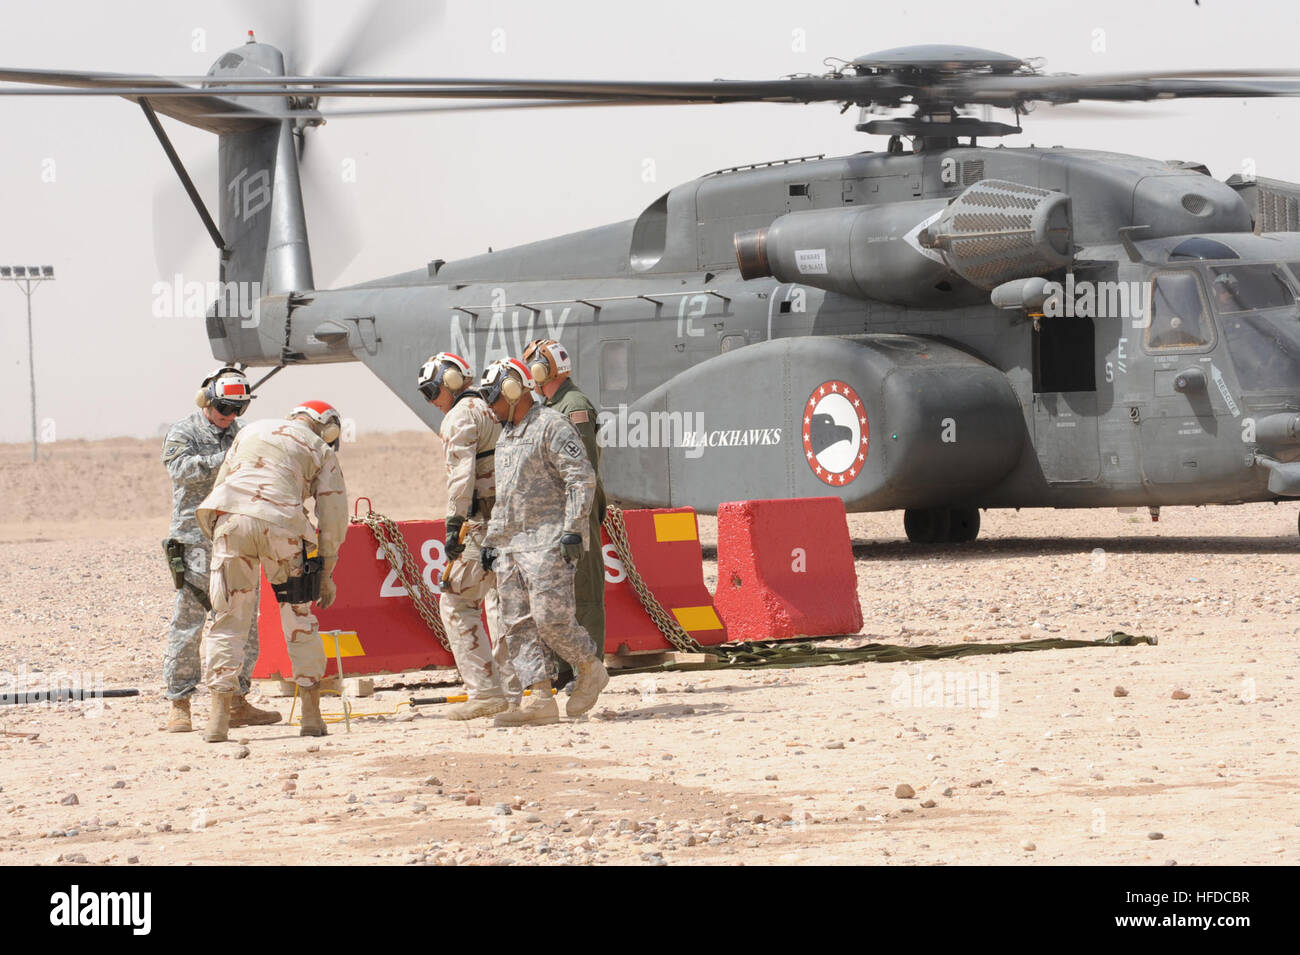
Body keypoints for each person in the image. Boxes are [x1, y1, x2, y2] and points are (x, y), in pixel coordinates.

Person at [196, 400, 348, 742]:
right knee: (298, 616)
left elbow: (222, 487)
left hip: (230, 524)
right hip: (282, 528)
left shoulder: (248, 431)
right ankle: (310, 715)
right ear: (329, 428)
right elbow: (334, 514)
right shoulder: (320, 448)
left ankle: (218, 717)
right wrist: (326, 570)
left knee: (227, 618)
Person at [479, 358, 609, 727]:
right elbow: (505, 497)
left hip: (548, 543)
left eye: (493, 398)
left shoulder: (552, 426)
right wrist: (492, 542)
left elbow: (581, 478)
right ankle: (538, 697)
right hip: (511, 548)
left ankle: (589, 667)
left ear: (511, 390)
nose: (490, 407)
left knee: (551, 619)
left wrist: (572, 528)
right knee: (517, 624)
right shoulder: (507, 436)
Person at [160, 367, 280, 734]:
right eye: (225, 407)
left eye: (238, 409)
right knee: (190, 620)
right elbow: (180, 470)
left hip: (237, 537)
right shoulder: (185, 431)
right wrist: (226, 461)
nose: (230, 416)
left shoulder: (244, 436)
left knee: (241, 619)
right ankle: (180, 704)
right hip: (195, 538)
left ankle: (236, 700)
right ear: (207, 401)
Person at [417, 352, 522, 720]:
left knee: (457, 601)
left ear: (446, 385)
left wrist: (453, 524)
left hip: (484, 520)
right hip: (514, 516)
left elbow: (461, 477)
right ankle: (514, 689)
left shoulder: (460, 417)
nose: (433, 402)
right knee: (500, 601)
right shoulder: (492, 405)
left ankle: (484, 691)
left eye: (432, 392)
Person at [521, 338, 607, 686]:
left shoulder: (573, 406)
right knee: (558, 596)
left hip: (576, 515)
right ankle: (568, 668)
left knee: (584, 593)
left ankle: (590, 669)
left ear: (543, 370)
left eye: (533, 368)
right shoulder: (551, 407)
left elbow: (581, 468)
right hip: (556, 516)